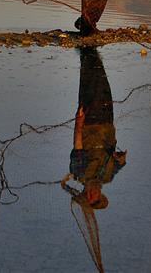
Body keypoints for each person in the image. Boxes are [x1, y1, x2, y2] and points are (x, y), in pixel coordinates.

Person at [61, 46, 127, 210]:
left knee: (89, 80)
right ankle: (89, 47)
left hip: (90, 122)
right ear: (100, 195)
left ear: (84, 193)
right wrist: (120, 158)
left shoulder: (79, 173)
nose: (92, 195)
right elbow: (120, 162)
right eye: (95, 198)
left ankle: (87, 47)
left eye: (88, 197)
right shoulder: (108, 177)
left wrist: (79, 121)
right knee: (102, 79)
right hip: (106, 122)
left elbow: (77, 144)